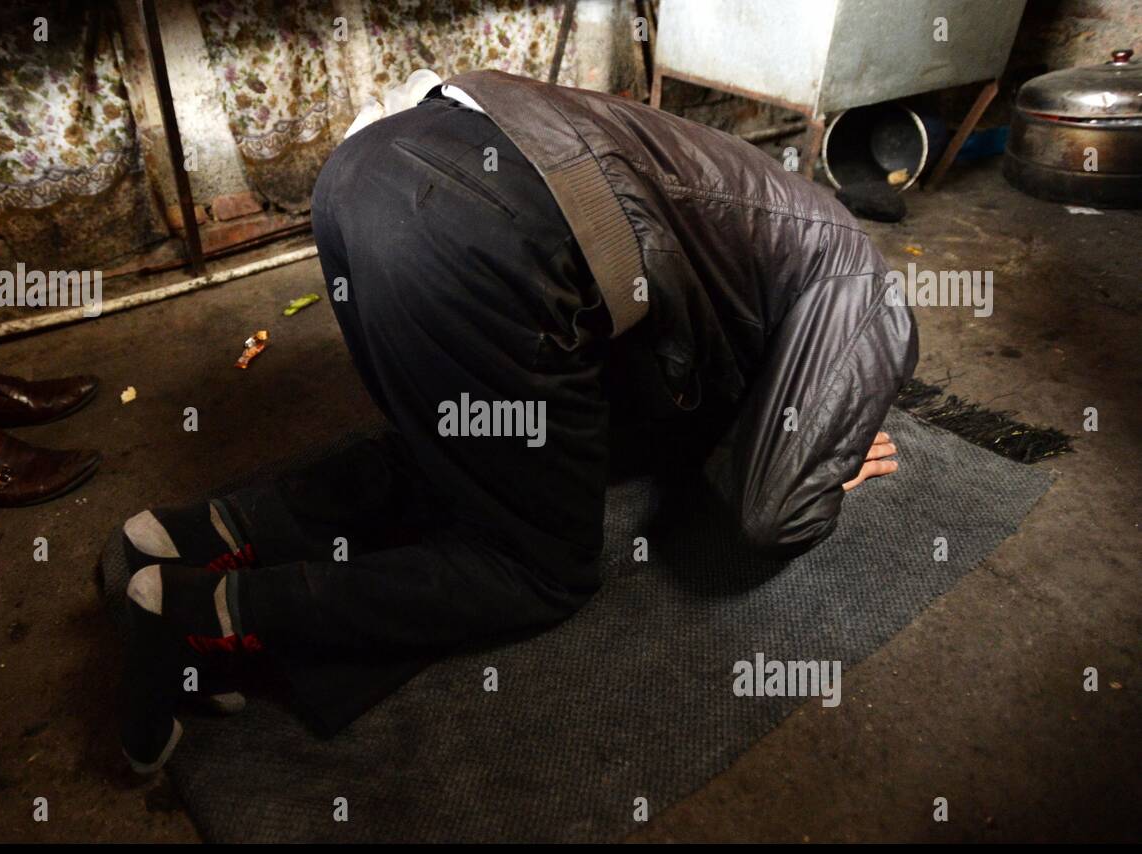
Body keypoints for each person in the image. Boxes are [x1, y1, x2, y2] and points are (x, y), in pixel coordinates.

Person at [113, 70, 917, 773]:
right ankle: (199, 620)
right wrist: (825, 460)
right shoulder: (872, 288)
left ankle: (190, 531)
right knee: (541, 569)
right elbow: (773, 510)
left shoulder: (755, 215)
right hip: (487, 227)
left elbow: (674, 368)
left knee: (466, 449)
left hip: (364, 178)